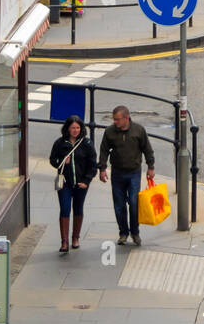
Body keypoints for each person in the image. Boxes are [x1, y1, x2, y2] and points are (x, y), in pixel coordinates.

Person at [97, 106, 155, 247]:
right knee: (119, 205)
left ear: (126, 118)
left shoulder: (138, 130)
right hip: (117, 173)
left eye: (117, 119)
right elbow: (104, 150)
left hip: (134, 172)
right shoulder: (110, 132)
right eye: (114, 119)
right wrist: (102, 168)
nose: (115, 122)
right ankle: (123, 233)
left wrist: (150, 167)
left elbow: (147, 149)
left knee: (134, 204)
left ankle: (135, 232)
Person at [49, 114, 97, 254]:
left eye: (77, 127)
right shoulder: (60, 143)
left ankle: (75, 238)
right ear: (67, 129)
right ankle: (64, 241)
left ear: (81, 128)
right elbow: (52, 160)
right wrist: (62, 161)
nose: (75, 130)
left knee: (78, 208)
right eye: (72, 128)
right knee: (64, 209)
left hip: (81, 184)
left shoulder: (86, 144)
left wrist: (86, 181)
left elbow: (92, 164)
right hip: (64, 183)